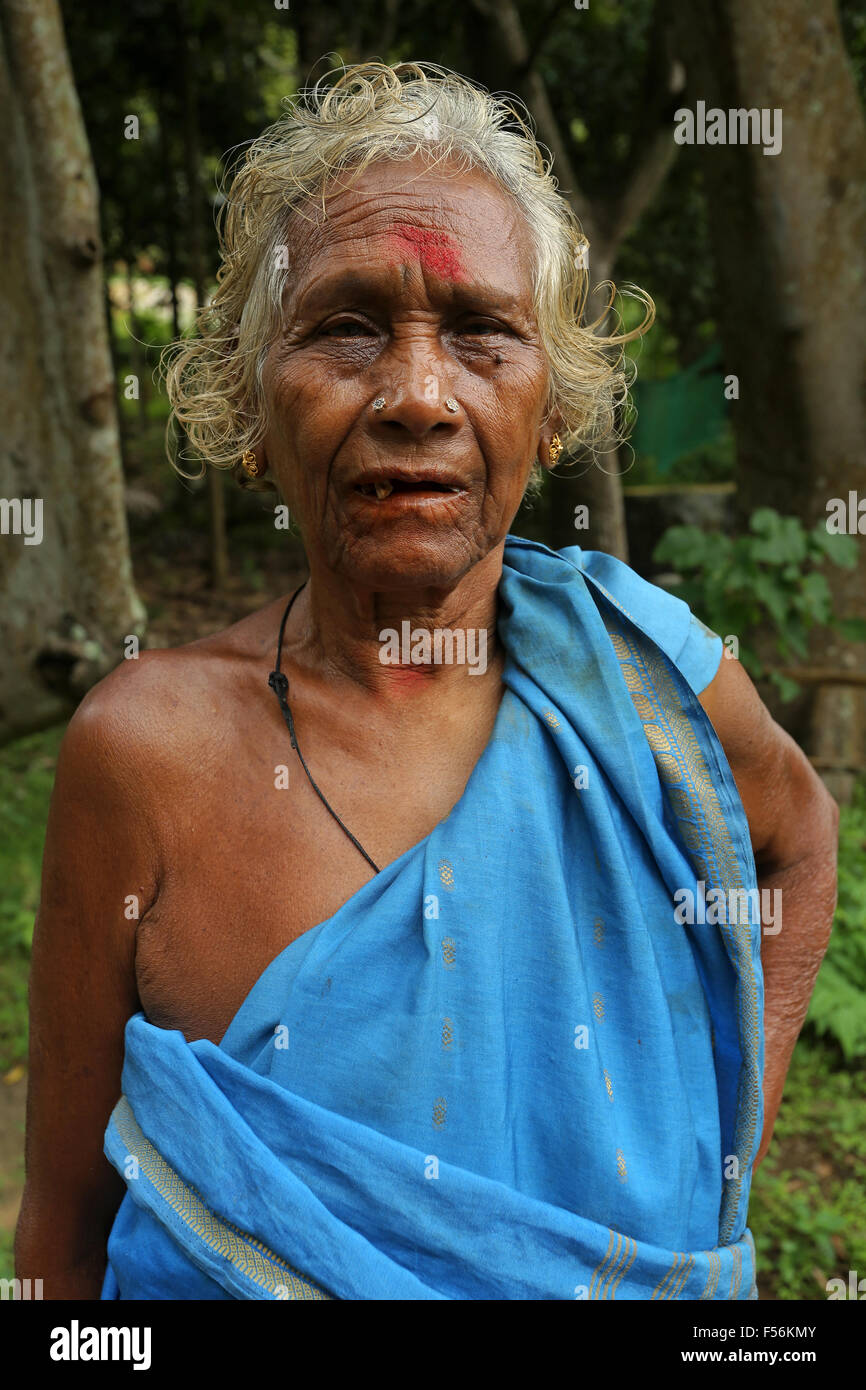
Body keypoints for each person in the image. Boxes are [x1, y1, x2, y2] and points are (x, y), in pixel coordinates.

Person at [15, 60, 837, 1300]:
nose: (415, 397)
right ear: (249, 403)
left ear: (548, 411)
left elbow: (796, 836)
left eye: (479, 332)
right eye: (345, 327)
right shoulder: (143, 751)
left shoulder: (644, 686)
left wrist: (721, 1143)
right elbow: (63, 1240)